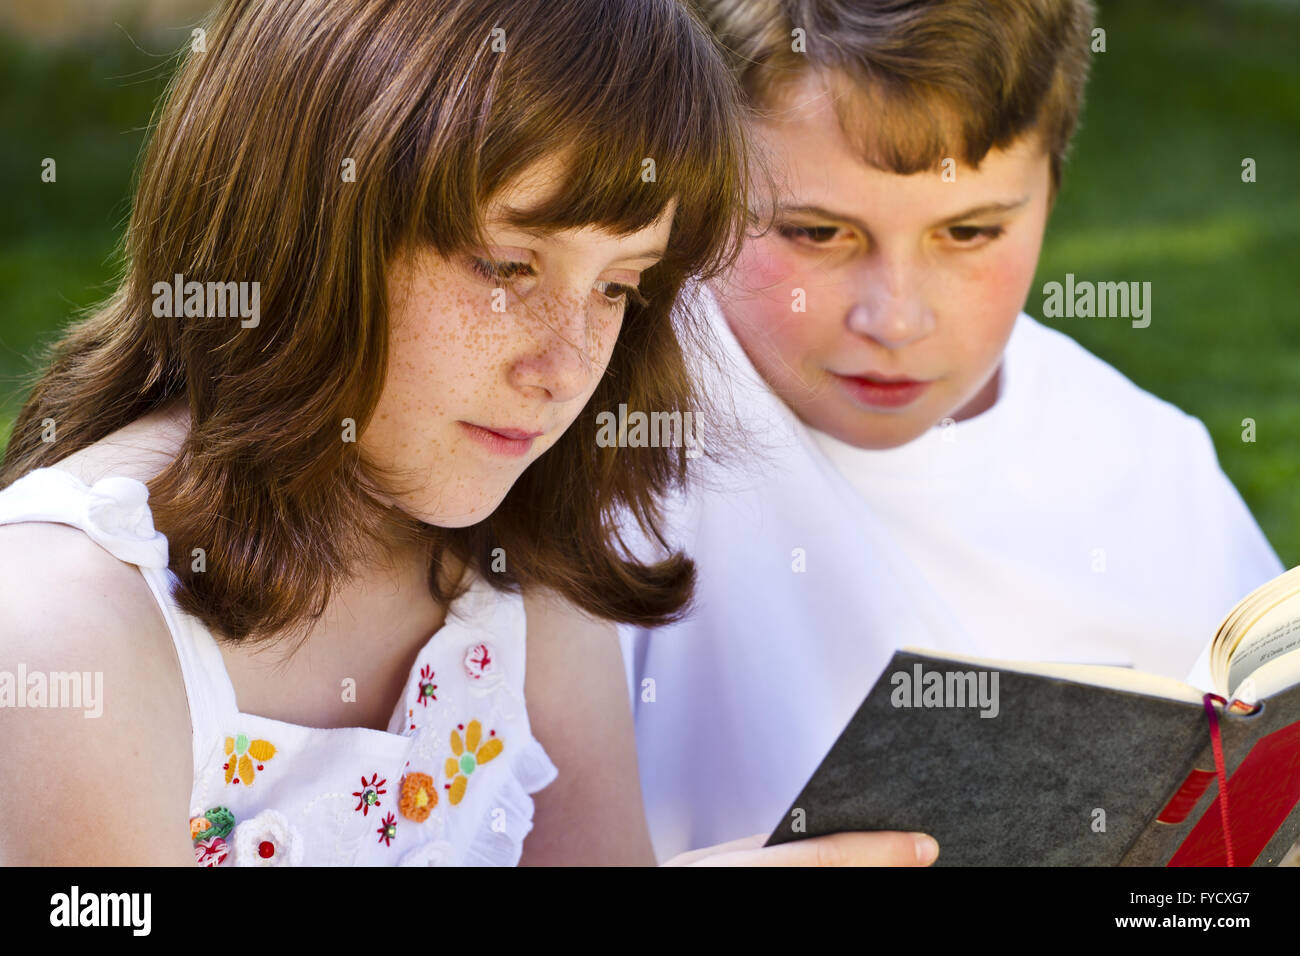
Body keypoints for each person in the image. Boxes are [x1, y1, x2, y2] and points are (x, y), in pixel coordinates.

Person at [0, 0, 934, 867]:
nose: (565, 366)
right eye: (507, 265)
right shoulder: (64, 631)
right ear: (301, 227)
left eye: (618, 286)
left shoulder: (519, 580)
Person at [621, 0, 1284, 862]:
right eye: (817, 232)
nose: (896, 318)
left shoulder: (1156, 464)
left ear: (1052, 185)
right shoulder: (598, 443)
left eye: (969, 232)